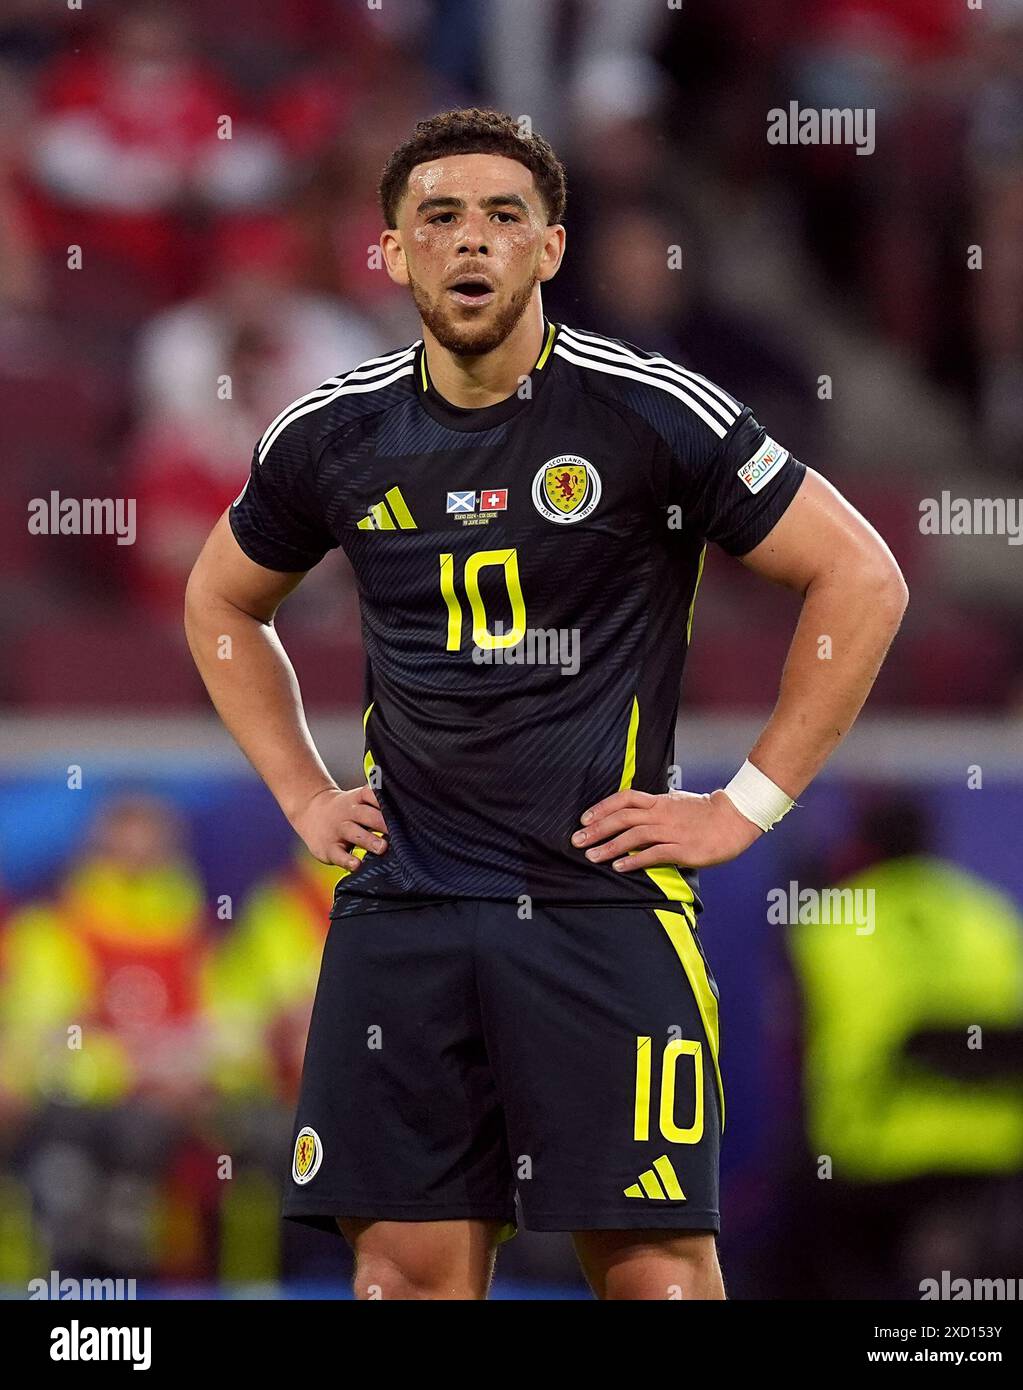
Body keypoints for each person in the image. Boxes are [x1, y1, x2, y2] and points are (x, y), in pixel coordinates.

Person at [184, 108, 908, 1300]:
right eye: (440, 218)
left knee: (654, 1278)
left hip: (595, 902)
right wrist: (301, 790)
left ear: (550, 248)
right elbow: (220, 600)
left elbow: (860, 576)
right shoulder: (332, 432)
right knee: (401, 1280)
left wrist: (747, 805)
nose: (471, 242)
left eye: (502, 216)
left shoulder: (649, 409)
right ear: (390, 253)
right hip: (404, 907)